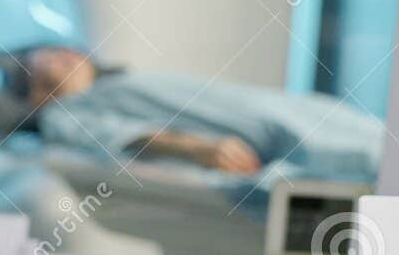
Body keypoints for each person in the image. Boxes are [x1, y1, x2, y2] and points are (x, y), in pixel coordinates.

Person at [25, 46, 380, 181]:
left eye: (61, 50)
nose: (66, 55)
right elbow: (127, 138)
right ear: (40, 94)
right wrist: (199, 149)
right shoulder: (62, 115)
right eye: (51, 62)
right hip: (264, 138)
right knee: (362, 158)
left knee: (365, 135)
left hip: (280, 109)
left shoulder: (114, 82)